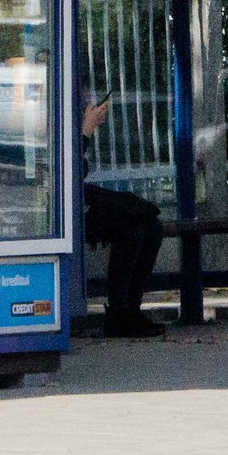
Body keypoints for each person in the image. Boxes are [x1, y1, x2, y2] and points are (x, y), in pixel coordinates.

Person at [81, 94, 166, 338]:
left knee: (151, 225)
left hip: (80, 198)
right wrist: (86, 130)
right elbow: (70, 168)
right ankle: (118, 312)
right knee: (130, 230)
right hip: (65, 207)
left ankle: (131, 309)